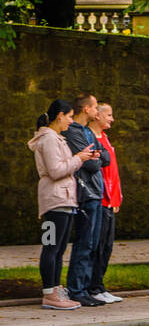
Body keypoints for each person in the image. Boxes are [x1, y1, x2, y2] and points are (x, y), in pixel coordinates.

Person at [27, 99, 93, 310]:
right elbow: (56, 170)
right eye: (70, 117)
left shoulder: (57, 139)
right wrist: (79, 158)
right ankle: (49, 293)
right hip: (54, 201)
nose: (71, 121)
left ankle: (55, 290)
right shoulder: (49, 140)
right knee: (51, 247)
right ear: (60, 116)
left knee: (59, 248)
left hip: (63, 200)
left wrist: (79, 158)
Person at [62, 94, 111, 308]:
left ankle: (86, 288)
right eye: (94, 106)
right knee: (85, 243)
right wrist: (97, 157)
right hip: (85, 193)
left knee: (92, 244)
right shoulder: (73, 132)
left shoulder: (86, 132)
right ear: (87, 109)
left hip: (96, 192)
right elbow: (90, 165)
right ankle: (77, 289)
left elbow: (105, 158)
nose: (97, 110)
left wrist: (96, 156)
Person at [86, 101, 123, 303]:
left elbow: (113, 170)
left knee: (106, 245)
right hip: (99, 198)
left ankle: (99, 285)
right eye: (108, 115)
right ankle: (92, 287)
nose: (112, 119)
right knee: (97, 245)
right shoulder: (90, 138)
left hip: (110, 198)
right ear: (97, 115)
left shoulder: (105, 138)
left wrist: (117, 195)